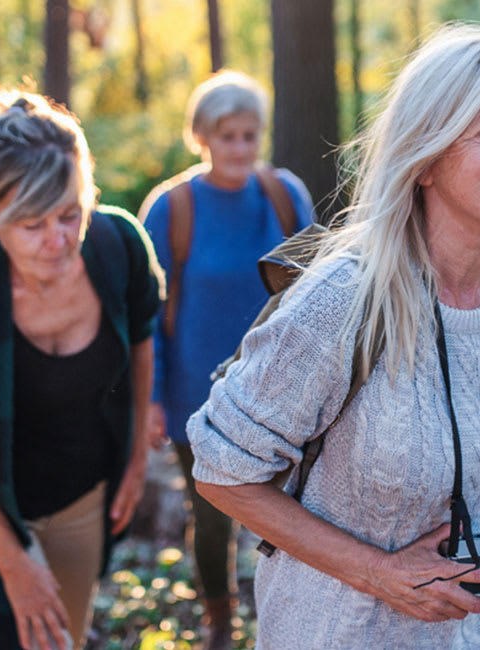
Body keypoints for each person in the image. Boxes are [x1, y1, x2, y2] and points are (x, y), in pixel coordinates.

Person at [185, 25, 480, 649]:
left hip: (477, 631)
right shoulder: (345, 298)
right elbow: (221, 469)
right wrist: (380, 573)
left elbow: (464, 456)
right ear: (426, 157)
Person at [0, 90, 164, 650]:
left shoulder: (119, 246)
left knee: (64, 634)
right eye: (32, 225)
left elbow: (142, 342)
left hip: (82, 494)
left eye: (70, 214)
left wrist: (137, 459)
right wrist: (16, 565)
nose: (58, 241)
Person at [138, 71, 315, 649]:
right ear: (203, 137)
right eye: (227, 136)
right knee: (212, 514)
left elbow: (319, 289)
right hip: (197, 393)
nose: (239, 148)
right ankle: (220, 620)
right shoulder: (172, 208)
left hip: (281, 387)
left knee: (289, 513)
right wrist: (152, 398)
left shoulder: (284, 196)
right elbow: (147, 314)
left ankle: (286, 618)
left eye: (249, 136)